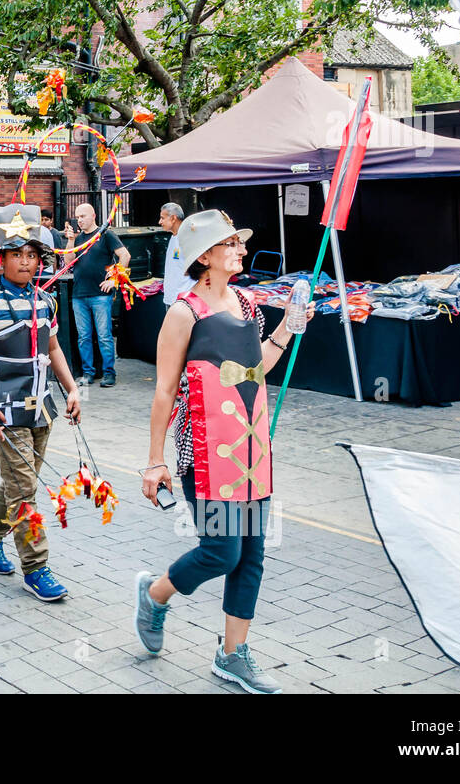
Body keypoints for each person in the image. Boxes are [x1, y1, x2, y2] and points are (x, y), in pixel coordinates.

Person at [137, 209, 310, 694]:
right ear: (206, 256)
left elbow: (256, 370)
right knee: (221, 551)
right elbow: (164, 391)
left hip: (250, 447)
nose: (240, 249)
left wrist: (289, 328)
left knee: (251, 555)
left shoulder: (248, 303)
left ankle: (232, 655)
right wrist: (156, 460)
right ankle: (155, 594)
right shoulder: (183, 312)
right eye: (230, 243)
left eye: (238, 242)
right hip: (204, 454)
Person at [0, 204, 82, 601]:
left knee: (19, 481)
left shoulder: (45, 302)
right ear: (2, 258)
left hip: (41, 407)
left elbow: (53, 347)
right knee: (25, 488)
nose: (26, 262)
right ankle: (37, 567)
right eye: (17, 254)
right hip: (3, 407)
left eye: (32, 255)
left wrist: (72, 389)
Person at [63, 203, 130, 387]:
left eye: (83, 216)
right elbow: (69, 262)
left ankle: (109, 373)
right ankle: (88, 373)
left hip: (100, 294)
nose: (79, 220)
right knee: (84, 336)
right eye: (77, 217)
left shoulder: (105, 234)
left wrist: (114, 280)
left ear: (93, 215)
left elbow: (125, 255)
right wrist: (69, 240)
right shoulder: (78, 239)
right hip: (79, 294)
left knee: (104, 336)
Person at [159, 202, 189, 305]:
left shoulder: (187, 237)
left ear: (173, 218)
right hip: (172, 297)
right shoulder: (173, 237)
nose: (160, 222)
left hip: (183, 299)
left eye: (162, 218)